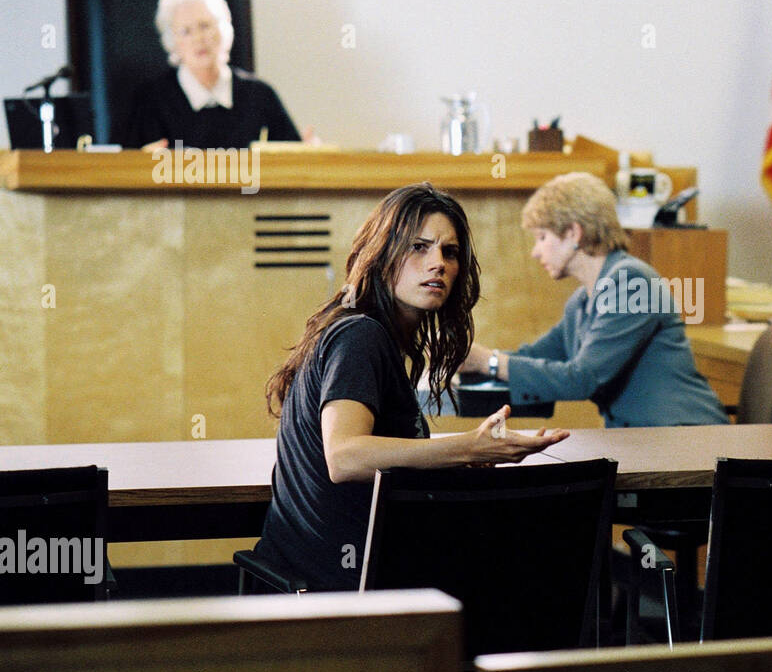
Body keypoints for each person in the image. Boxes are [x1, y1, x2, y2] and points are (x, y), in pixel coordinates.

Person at [256, 183, 568, 590]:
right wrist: (468, 447)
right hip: (341, 590)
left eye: (449, 252)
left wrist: (466, 455)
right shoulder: (360, 336)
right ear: (383, 255)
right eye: (418, 247)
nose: (437, 263)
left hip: (365, 573)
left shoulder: (375, 336)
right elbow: (345, 457)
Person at [461, 172, 729, 427]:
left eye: (542, 237)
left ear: (573, 234)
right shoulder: (582, 301)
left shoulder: (631, 282)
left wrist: (488, 361)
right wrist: (468, 361)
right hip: (646, 439)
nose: (535, 252)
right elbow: (533, 357)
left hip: (684, 435)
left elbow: (582, 378)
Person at [127, 0, 302, 150]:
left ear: (225, 29)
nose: (199, 38)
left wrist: (308, 152)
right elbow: (117, 168)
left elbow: (295, 162)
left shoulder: (260, 95)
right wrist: (141, 162)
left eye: (205, 26)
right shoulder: (149, 101)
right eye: (186, 31)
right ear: (171, 42)